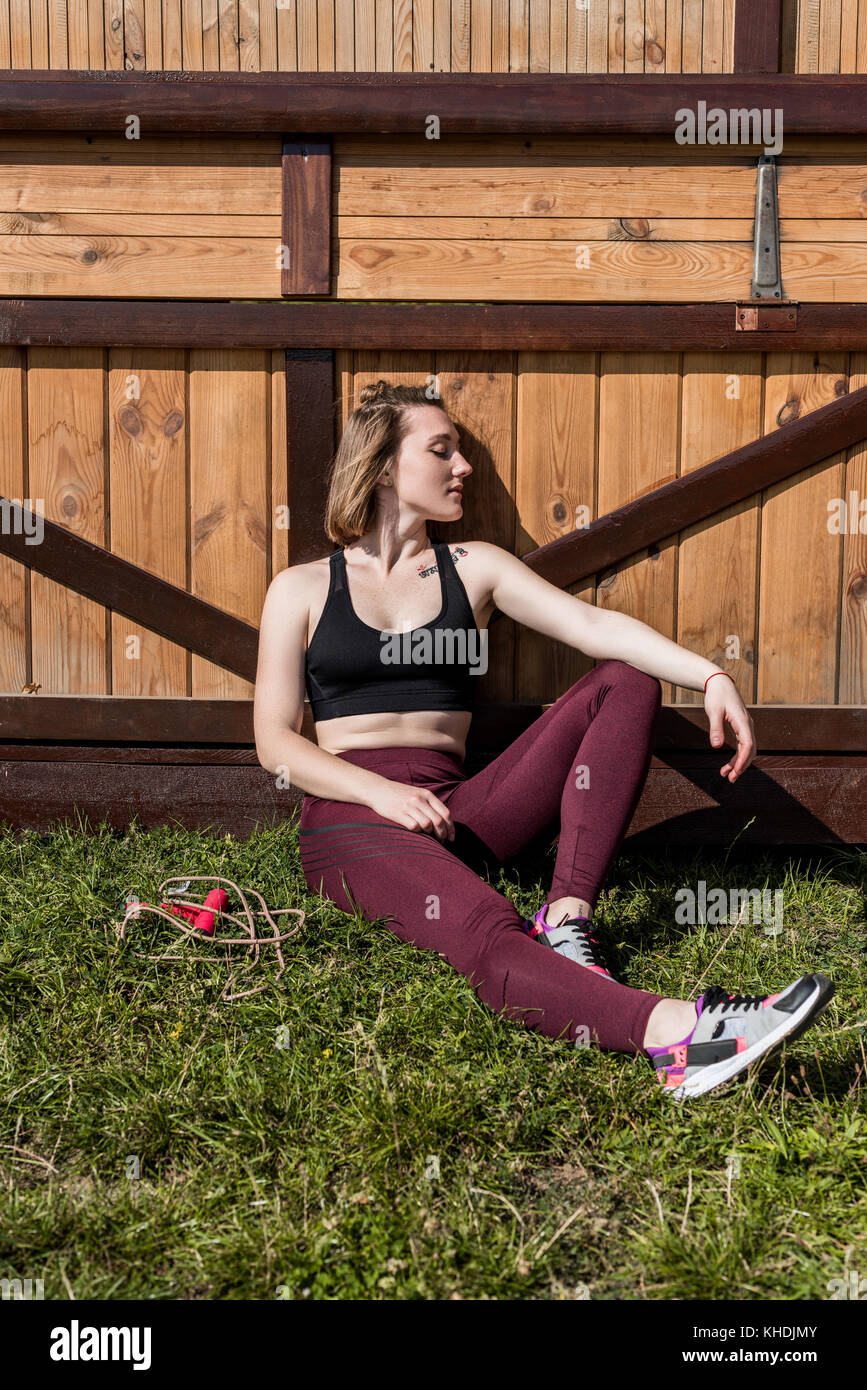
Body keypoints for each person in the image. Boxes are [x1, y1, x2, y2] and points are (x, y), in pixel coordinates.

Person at [253, 379, 833, 1101]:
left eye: (459, 451)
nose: (462, 467)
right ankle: (681, 1036)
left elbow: (593, 630)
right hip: (352, 817)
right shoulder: (302, 588)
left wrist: (709, 675)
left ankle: (566, 918)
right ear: (379, 468)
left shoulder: (475, 569)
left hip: (457, 808)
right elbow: (275, 742)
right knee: (486, 930)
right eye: (441, 451)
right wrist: (381, 792)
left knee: (624, 681)